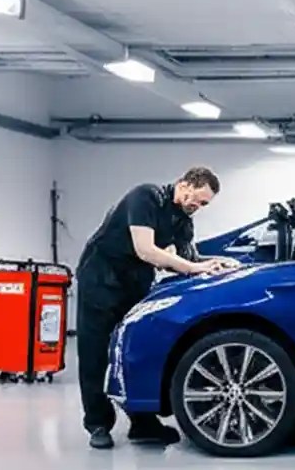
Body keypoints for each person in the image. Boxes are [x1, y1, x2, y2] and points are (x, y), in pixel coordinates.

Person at [76, 167, 239, 450]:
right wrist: (193, 266)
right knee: (96, 353)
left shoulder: (183, 220)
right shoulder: (146, 197)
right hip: (100, 280)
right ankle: (98, 424)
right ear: (185, 184)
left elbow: (190, 259)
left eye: (203, 205)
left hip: (135, 283)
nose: (197, 207)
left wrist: (218, 262)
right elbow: (146, 250)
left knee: (134, 351)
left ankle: (142, 423)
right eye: (197, 199)